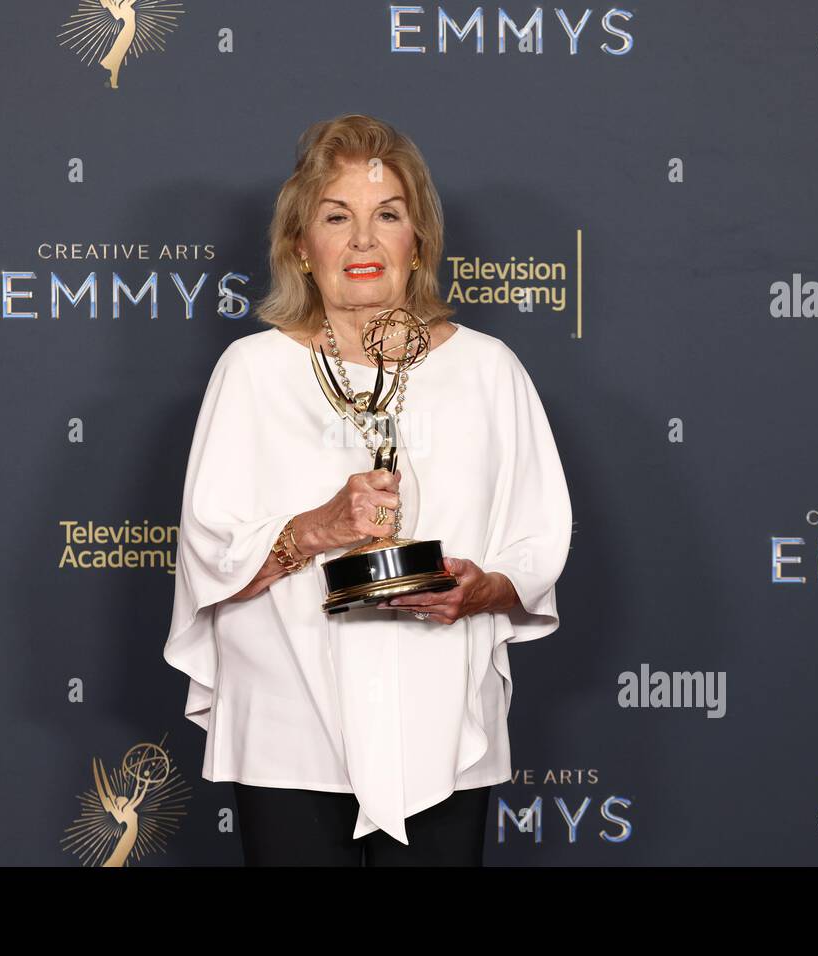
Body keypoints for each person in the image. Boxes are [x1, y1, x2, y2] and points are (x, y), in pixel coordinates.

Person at [163, 113, 572, 865]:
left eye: (388, 215)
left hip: (443, 723)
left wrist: (477, 591)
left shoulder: (488, 371)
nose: (362, 241)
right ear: (299, 246)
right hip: (291, 724)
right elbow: (210, 563)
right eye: (335, 217)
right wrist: (319, 528)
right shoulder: (252, 372)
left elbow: (539, 541)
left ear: (418, 243)